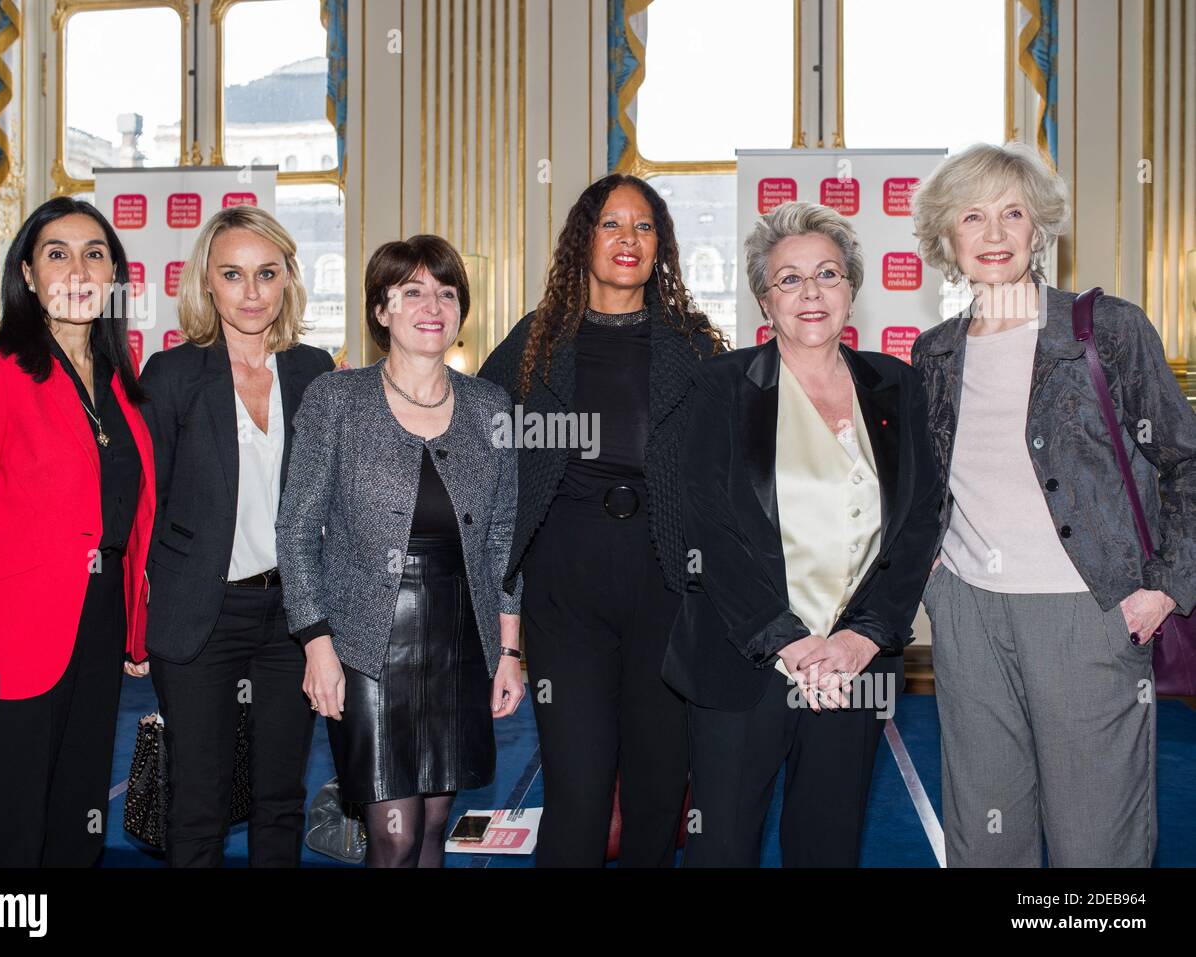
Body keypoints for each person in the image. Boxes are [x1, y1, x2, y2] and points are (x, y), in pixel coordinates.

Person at [910, 141, 1196, 867]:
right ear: (948, 239)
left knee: (1096, 841)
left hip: (1087, 610)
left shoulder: (1107, 331)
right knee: (985, 837)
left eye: (1014, 213)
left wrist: (1167, 587)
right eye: (973, 217)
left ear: (1040, 228)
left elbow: (1185, 463)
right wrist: (936, 572)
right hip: (970, 612)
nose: (996, 233)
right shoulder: (934, 352)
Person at [663, 201, 941, 867]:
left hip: (856, 667)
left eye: (827, 273)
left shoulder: (897, 385)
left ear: (852, 288)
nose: (811, 292)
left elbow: (920, 521)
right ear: (765, 298)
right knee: (722, 845)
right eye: (789, 279)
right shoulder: (721, 386)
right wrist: (785, 640)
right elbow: (707, 526)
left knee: (828, 840)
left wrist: (865, 636)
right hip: (744, 662)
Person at [478, 174, 726, 867]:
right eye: (611, 224)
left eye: (644, 227)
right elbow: (478, 438)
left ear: (661, 246)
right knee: (578, 790)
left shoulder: (696, 346)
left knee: (655, 789)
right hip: (567, 583)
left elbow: (728, 471)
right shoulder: (535, 342)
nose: (628, 240)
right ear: (583, 240)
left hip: (667, 581)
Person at [0, 197, 155, 867]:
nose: (78, 268)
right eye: (57, 253)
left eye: (94, 253)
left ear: (113, 278)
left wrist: (134, 625)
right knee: (12, 842)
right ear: (27, 272)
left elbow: (125, 523)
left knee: (77, 834)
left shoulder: (121, 384)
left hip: (97, 633)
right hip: (7, 642)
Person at [277, 234, 524, 868]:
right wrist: (317, 644)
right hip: (364, 644)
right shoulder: (336, 400)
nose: (432, 305)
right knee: (391, 831)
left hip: (460, 642)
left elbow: (502, 539)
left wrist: (510, 651)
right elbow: (297, 530)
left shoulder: (491, 407)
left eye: (446, 292)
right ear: (381, 311)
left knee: (435, 822)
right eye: (411, 292)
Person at [138, 205, 334, 867]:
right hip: (200, 613)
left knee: (281, 797)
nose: (251, 292)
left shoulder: (315, 370)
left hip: (292, 616)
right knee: (199, 802)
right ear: (208, 283)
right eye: (233, 274)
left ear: (286, 280)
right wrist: (136, 621)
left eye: (266, 273)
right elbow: (148, 509)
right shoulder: (171, 377)